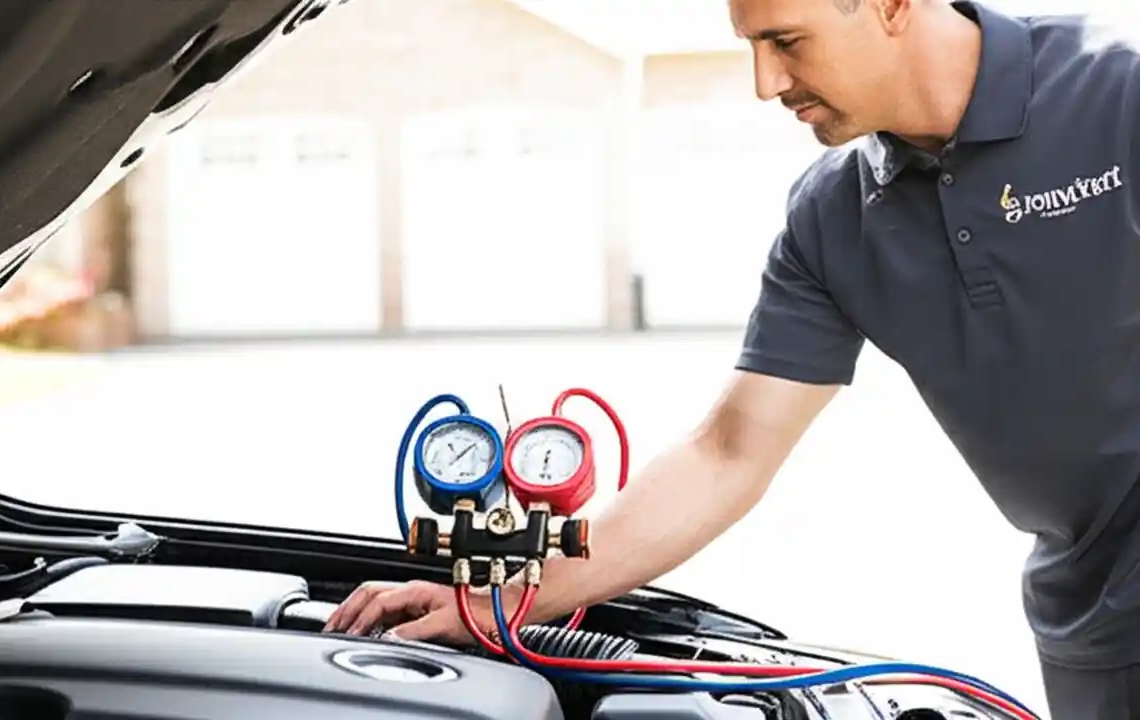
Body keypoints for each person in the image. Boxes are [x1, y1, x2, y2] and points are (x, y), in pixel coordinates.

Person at [324, 1, 1140, 716]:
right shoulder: (833, 218)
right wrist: (500, 601)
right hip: (1087, 618)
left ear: (891, 4)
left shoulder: (1116, 92)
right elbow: (726, 455)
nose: (765, 81)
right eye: (750, 42)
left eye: (786, 39)